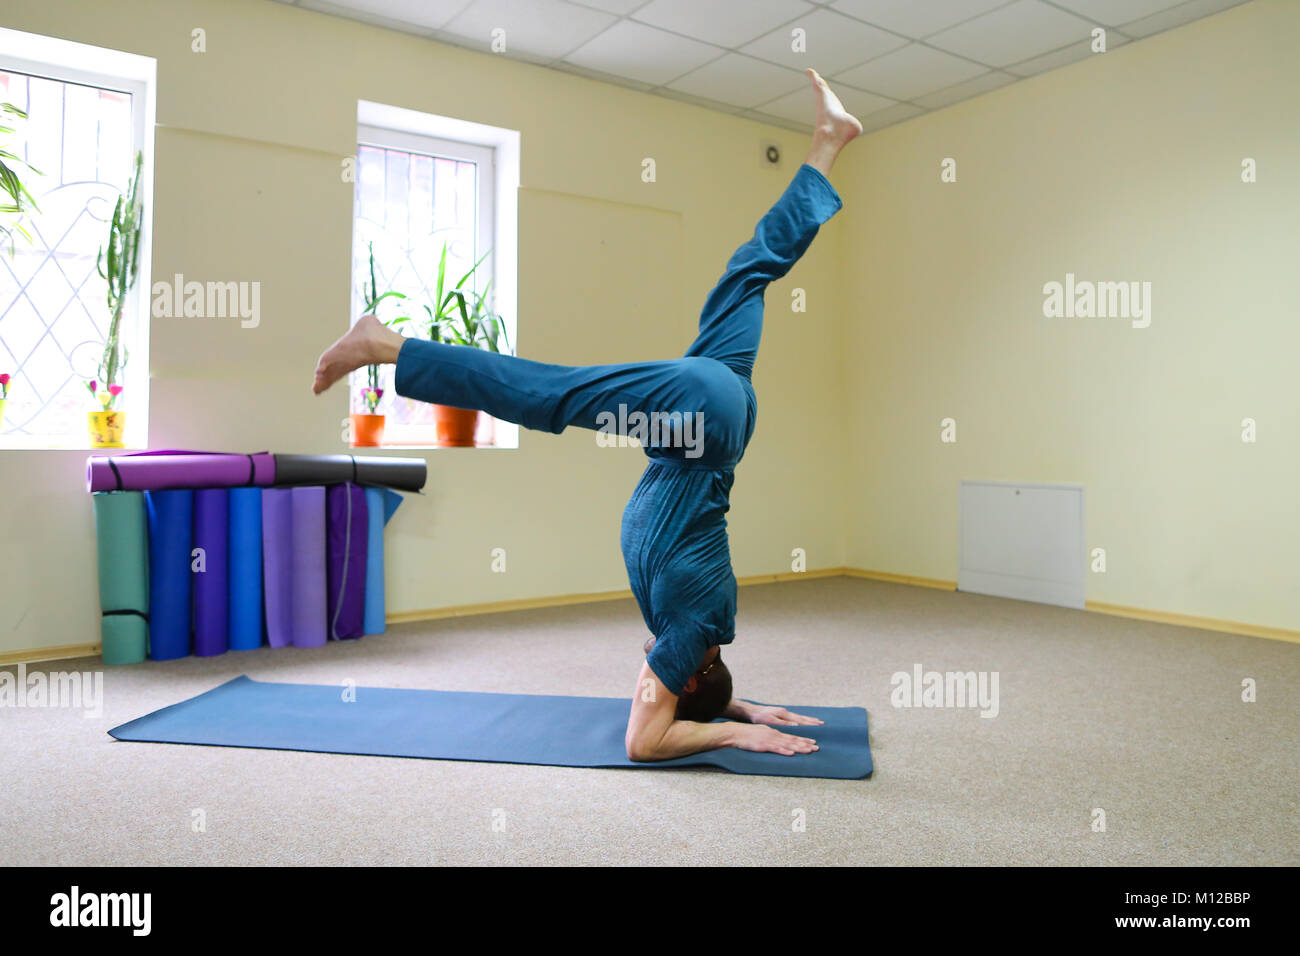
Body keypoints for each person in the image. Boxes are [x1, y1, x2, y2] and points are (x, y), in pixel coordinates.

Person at [313, 68, 862, 760]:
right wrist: (731, 729)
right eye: (660, 681)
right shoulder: (690, 630)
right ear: (688, 672)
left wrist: (736, 704)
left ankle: (828, 145)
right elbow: (644, 740)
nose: (645, 679)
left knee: (751, 269)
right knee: (550, 394)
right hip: (696, 421)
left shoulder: (695, 630)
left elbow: (682, 689)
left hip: (718, 415)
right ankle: (385, 346)